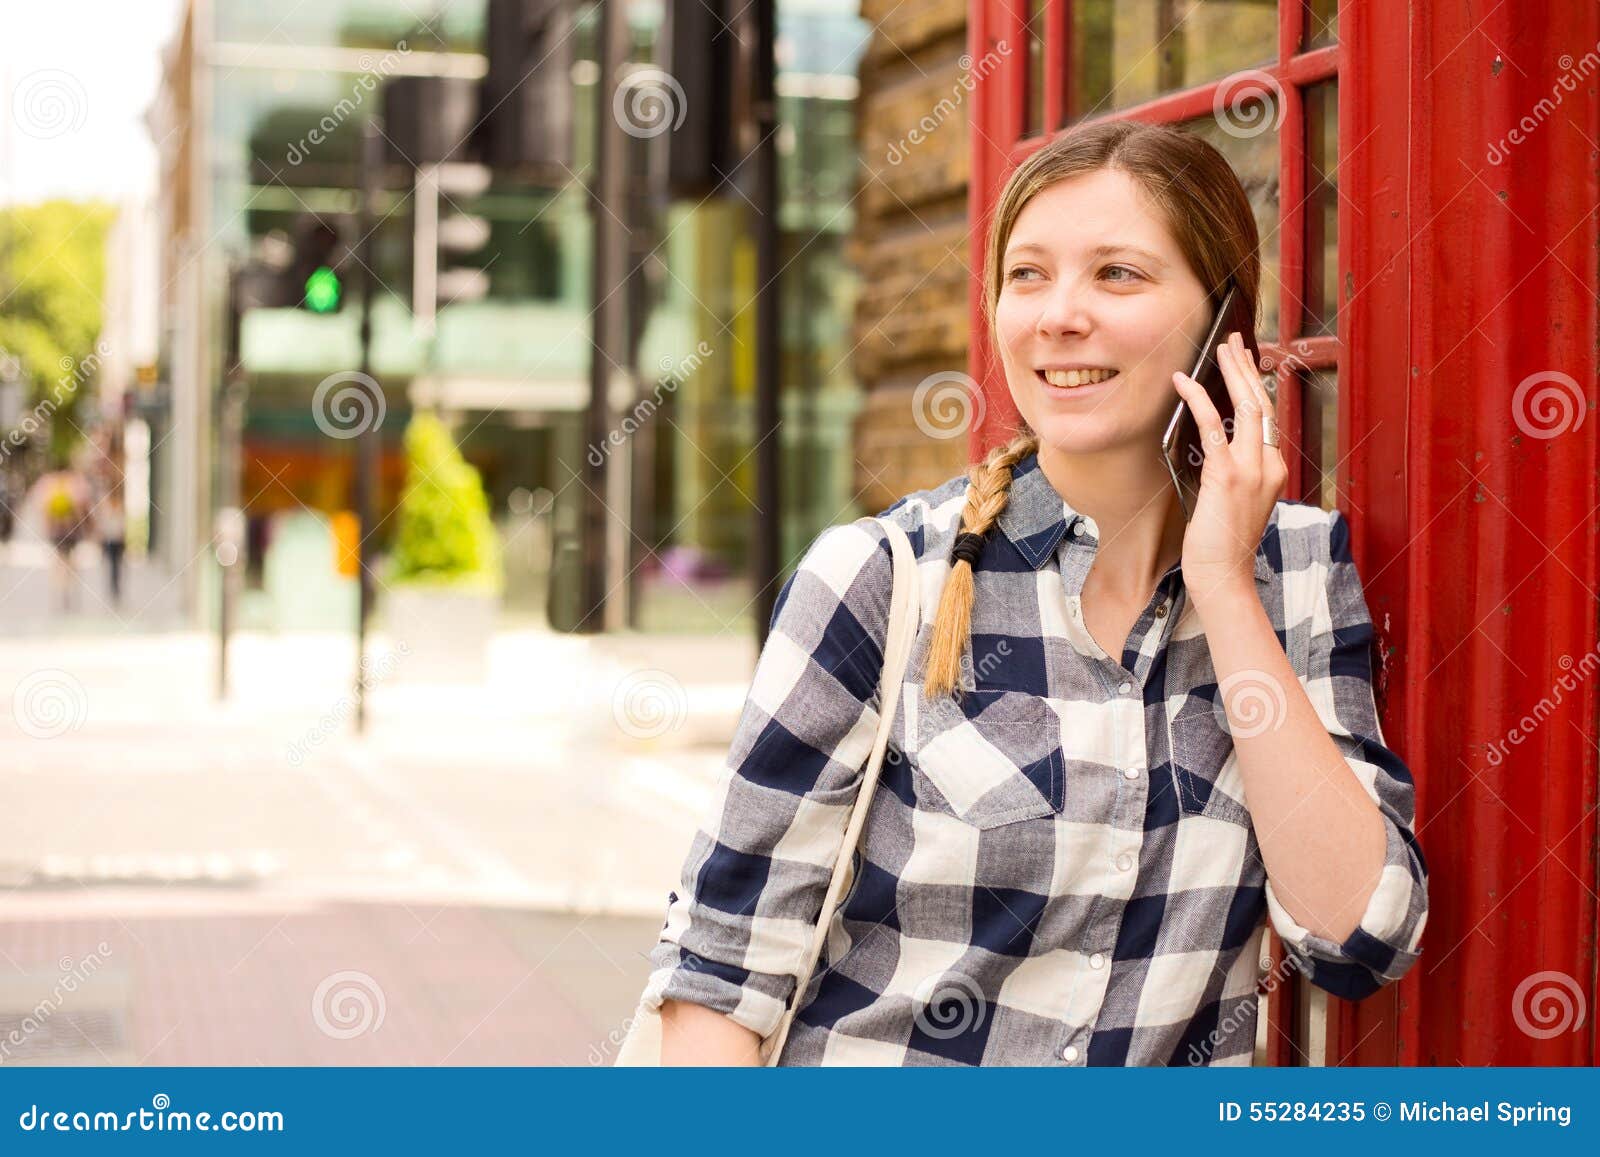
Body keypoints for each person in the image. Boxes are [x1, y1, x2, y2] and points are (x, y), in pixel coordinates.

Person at [640, 120, 1428, 1066]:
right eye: (1027, 275)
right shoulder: (884, 576)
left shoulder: (1297, 571)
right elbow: (722, 976)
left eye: (1117, 274)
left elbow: (1361, 935)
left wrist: (1223, 586)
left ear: (1223, 321)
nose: (1057, 314)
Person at [97, 488, 127, 605]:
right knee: (112, 565)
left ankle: (115, 587)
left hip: (116, 540)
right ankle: (112, 587)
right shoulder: (108, 508)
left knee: (116, 565)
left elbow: (121, 525)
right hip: (110, 540)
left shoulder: (116, 508)